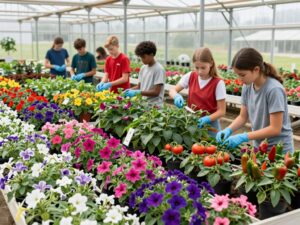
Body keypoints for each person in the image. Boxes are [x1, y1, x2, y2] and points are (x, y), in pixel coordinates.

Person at [216, 48, 294, 153]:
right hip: (260, 147)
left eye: (242, 75)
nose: (239, 79)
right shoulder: (247, 86)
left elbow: (275, 128)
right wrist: (228, 130)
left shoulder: (274, 90)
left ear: (256, 69)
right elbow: (242, 117)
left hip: (279, 150)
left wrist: (243, 137)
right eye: (237, 74)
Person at [169, 47, 226, 137]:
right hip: (191, 122)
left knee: (210, 147)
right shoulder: (191, 76)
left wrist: (207, 119)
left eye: (203, 67)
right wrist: (176, 96)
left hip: (210, 126)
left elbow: (222, 111)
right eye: (197, 67)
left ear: (211, 63)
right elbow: (172, 90)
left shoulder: (218, 83)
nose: (200, 71)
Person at [124, 41, 165, 107]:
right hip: (144, 104)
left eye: (143, 57)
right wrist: (130, 90)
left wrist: (138, 92)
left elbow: (156, 92)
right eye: (140, 57)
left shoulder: (158, 69)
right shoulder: (143, 68)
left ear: (151, 54)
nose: (142, 60)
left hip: (155, 106)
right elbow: (139, 86)